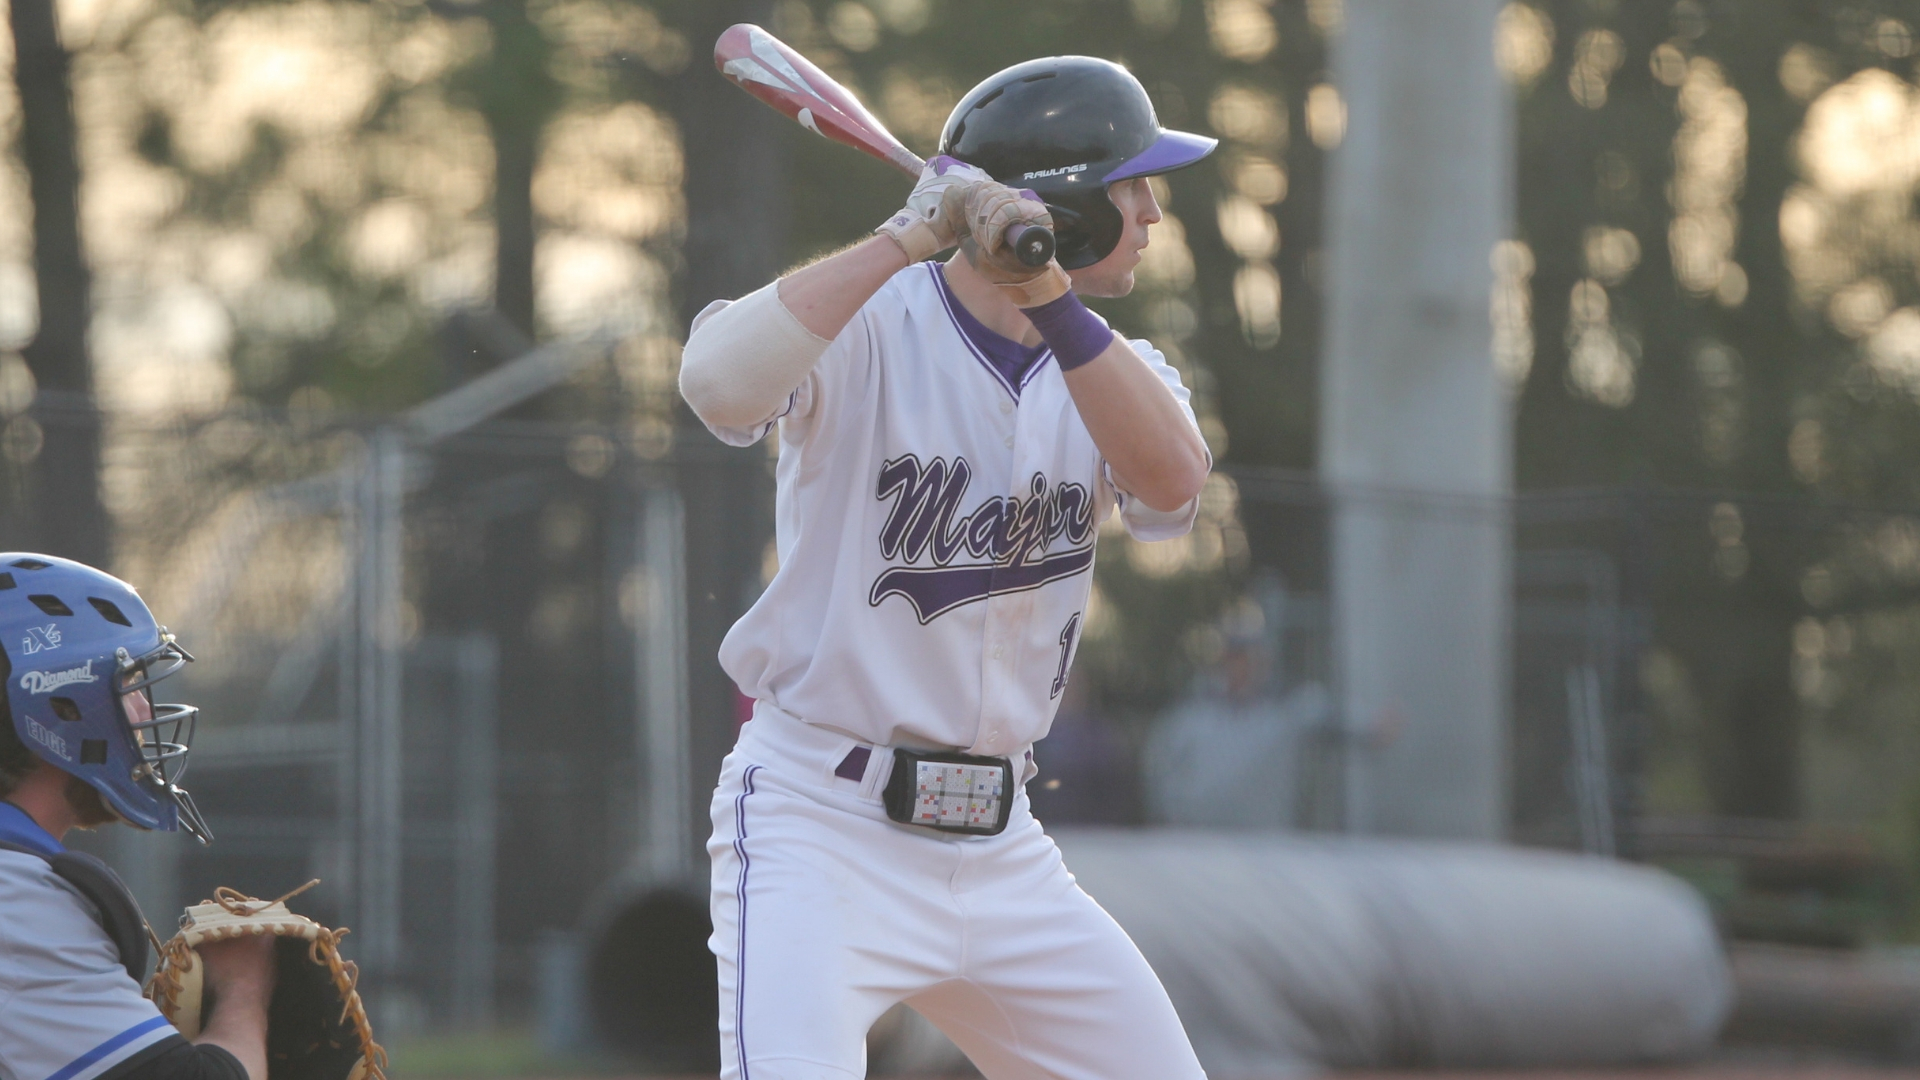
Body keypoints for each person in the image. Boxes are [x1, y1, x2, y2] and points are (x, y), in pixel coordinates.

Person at [679, 56, 1216, 1079]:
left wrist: (1048, 293)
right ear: (1064, 198)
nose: (1150, 211)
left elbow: (1174, 484)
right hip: (819, 824)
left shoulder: (1115, 369)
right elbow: (715, 386)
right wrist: (906, 237)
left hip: (1003, 847)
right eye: (1129, 183)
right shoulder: (871, 324)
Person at [0, 554, 275, 1080]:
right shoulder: (15, 901)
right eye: (125, 681)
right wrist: (244, 990)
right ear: (57, 705)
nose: (145, 713)